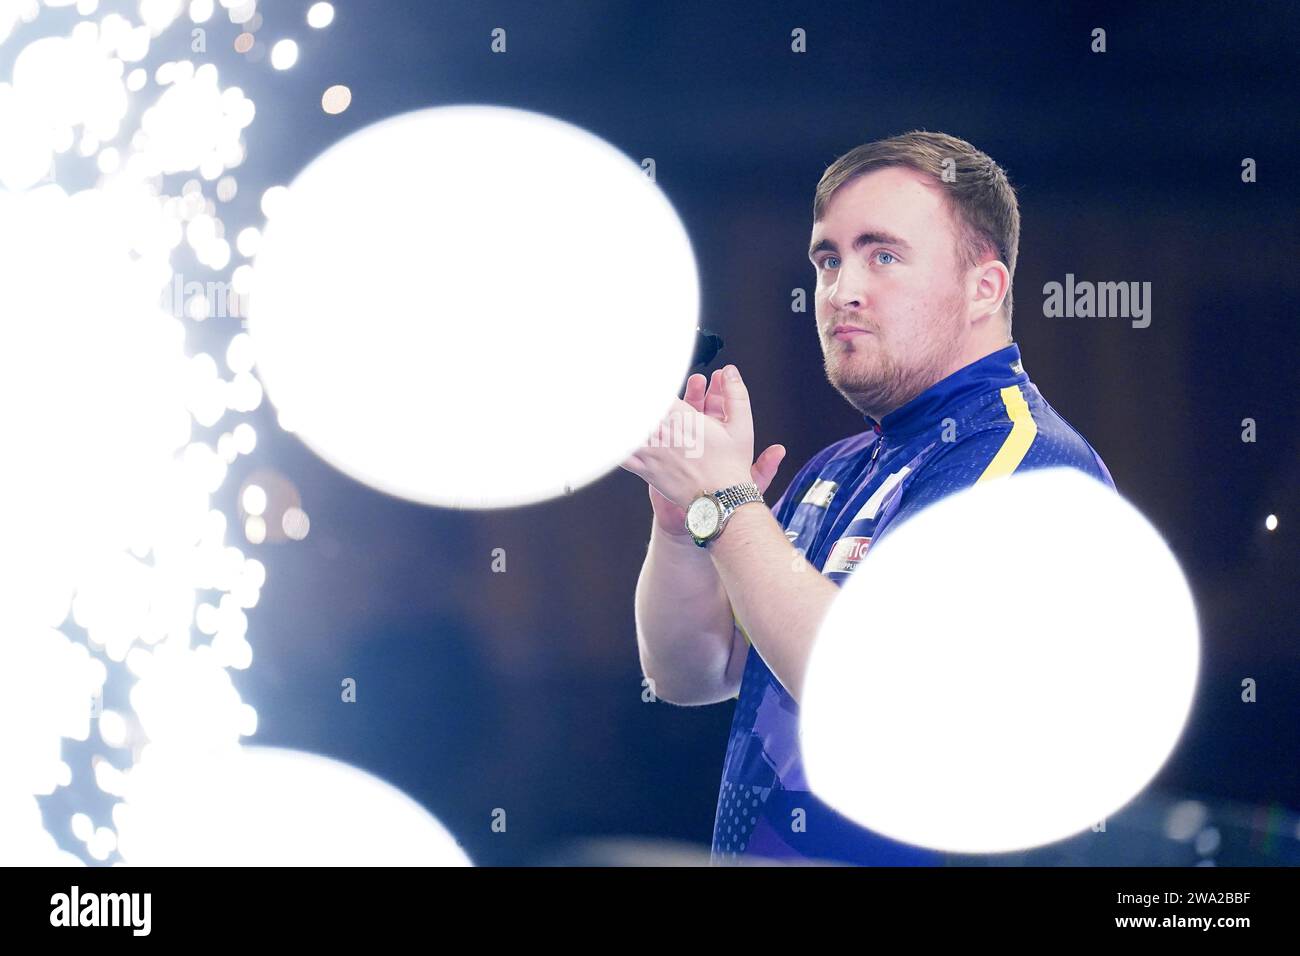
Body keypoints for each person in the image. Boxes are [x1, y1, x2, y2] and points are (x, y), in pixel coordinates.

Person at [621, 131, 1114, 865]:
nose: (842, 288)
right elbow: (691, 673)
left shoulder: (1026, 461)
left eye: (882, 254)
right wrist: (682, 515)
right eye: (829, 258)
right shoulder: (839, 468)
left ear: (986, 288)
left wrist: (725, 503)